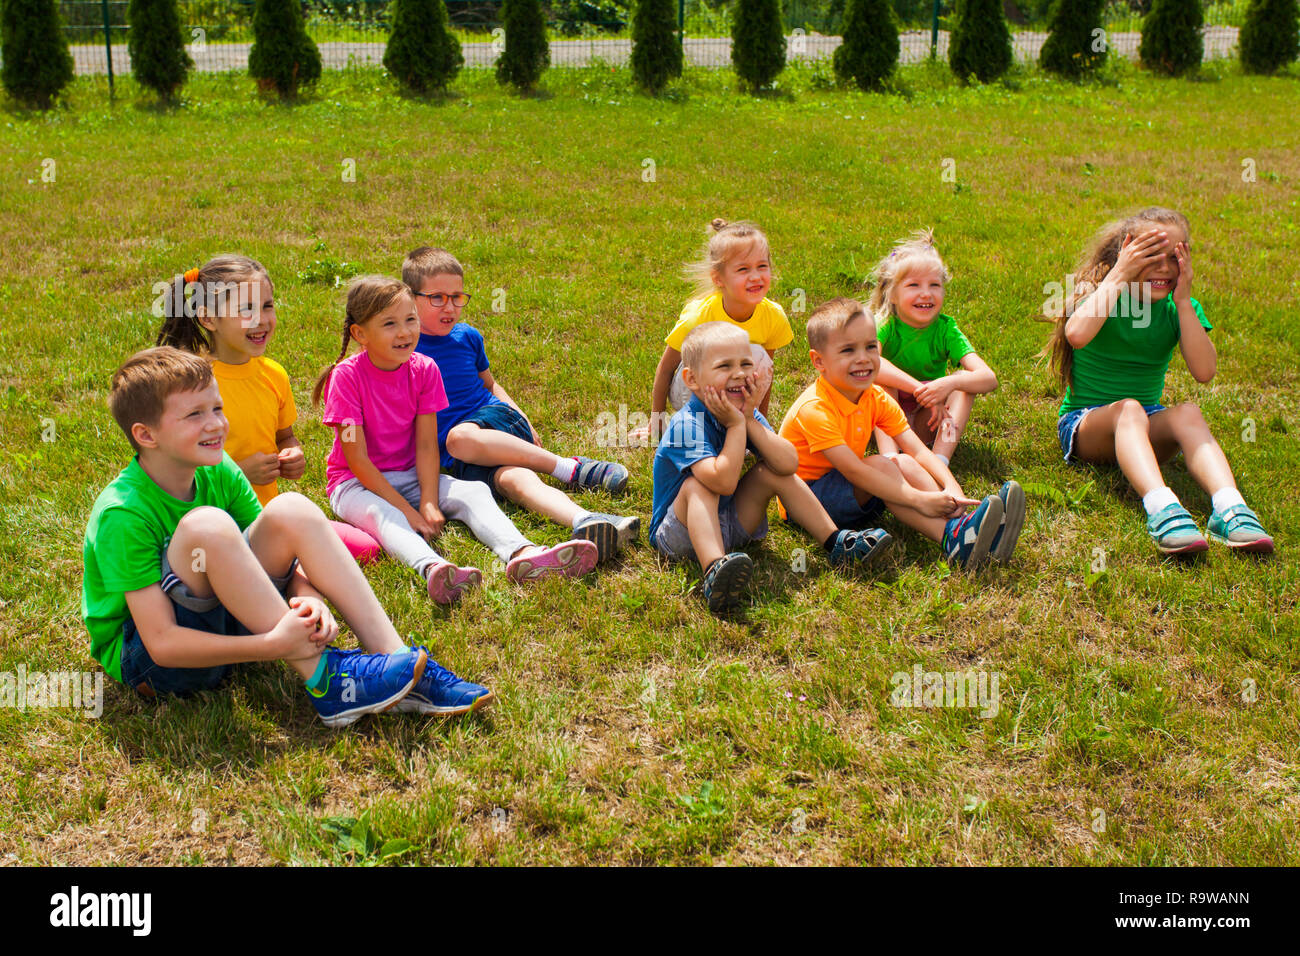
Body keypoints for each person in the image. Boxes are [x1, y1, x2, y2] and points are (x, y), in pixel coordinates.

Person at [82, 346, 492, 726]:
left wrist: (308, 600)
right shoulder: (124, 513)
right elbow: (162, 644)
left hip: (230, 618)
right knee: (207, 525)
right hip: (158, 665)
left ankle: (399, 660)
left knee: (290, 509)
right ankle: (326, 680)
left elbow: (275, 553)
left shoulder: (217, 467)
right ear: (146, 435)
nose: (216, 424)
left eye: (217, 407)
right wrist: (273, 644)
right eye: (194, 415)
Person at [313, 275, 599, 603]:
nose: (405, 332)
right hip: (355, 484)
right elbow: (357, 460)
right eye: (389, 324)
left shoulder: (424, 369)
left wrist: (430, 500)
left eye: (410, 319)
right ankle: (433, 568)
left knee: (474, 492)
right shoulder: (346, 379)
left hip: (411, 474)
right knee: (384, 515)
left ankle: (523, 552)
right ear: (360, 334)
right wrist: (410, 511)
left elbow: (424, 444)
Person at [1046, 206, 1273, 555]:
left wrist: (1183, 302)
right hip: (1086, 426)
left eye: (1174, 257)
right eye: (1151, 255)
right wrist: (1118, 275)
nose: (1164, 268)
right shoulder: (1103, 296)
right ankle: (1162, 508)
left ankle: (1231, 508)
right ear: (1127, 252)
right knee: (1129, 410)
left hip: (1146, 424)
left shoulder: (1179, 308)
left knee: (1187, 413)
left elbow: (1204, 372)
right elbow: (1076, 334)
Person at [404, 246, 638, 563]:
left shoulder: (466, 337)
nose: (451, 307)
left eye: (457, 296)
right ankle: (588, 520)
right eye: (438, 298)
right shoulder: (403, 349)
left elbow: (490, 383)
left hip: (494, 420)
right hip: (460, 455)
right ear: (410, 296)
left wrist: (520, 413)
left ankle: (570, 468)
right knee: (511, 481)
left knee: (459, 438)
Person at [650, 322, 891, 614]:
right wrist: (737, 427)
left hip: (729, 522)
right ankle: (714, 571)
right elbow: (723, 483)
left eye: (746, 363)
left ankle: (837, 543)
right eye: (725, 366)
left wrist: (749, 420)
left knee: (773, 471)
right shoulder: (686, 425)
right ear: (693, 379)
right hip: (680, 535)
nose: (739, 373)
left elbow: (789, 464)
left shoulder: (744, 413)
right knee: (699, 484)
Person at [155, 254, 381, 563]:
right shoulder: (189, 385)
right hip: (209, 529)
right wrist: (240, 473)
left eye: (267, 306)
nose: (261, 319)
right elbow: (171, 474)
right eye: (245, 309)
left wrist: (292, 454)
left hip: (265, 517)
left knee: (366, 548)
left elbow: (283, 436)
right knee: (297, 570)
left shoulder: (273, 375)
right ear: (208, 319)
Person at [779, 298, 1023, 567]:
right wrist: (919, 500)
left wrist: (951, 488)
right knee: (882, 465)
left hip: (850, 492)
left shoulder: (875, 397)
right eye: (848, 350)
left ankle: (961, 526)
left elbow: (916, 449)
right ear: (819, 361)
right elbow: (854, 471)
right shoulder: (815, 408)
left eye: (870, 347)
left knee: (901, 461)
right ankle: (952, 538)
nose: (863, 358)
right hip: (807, 505)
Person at [633, 218, 792, 444]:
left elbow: (765, 376)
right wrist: (656, 422)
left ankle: (742, 425)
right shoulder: (699, 316)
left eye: (762, 266)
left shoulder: (773, 316)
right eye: (743, 269)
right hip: (692, 388)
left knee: (758, 357)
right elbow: (666, 369)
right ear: (719, 279)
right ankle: (701, 427)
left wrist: (760, 424)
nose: (756, 276)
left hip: (734, 386)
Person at [867, 230, 999, 465]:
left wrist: (949, 383)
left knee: (964, 384)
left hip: (925, 421)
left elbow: (988, 378)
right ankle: (890, 460)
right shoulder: (884, 324)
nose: (926, 293)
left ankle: (940, 459)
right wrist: (923, 390)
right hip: (882, 423)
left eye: (935, 285)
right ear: (893, 295)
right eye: (914, 285)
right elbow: (871, 365)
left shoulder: (946, 329)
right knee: (884, 383)